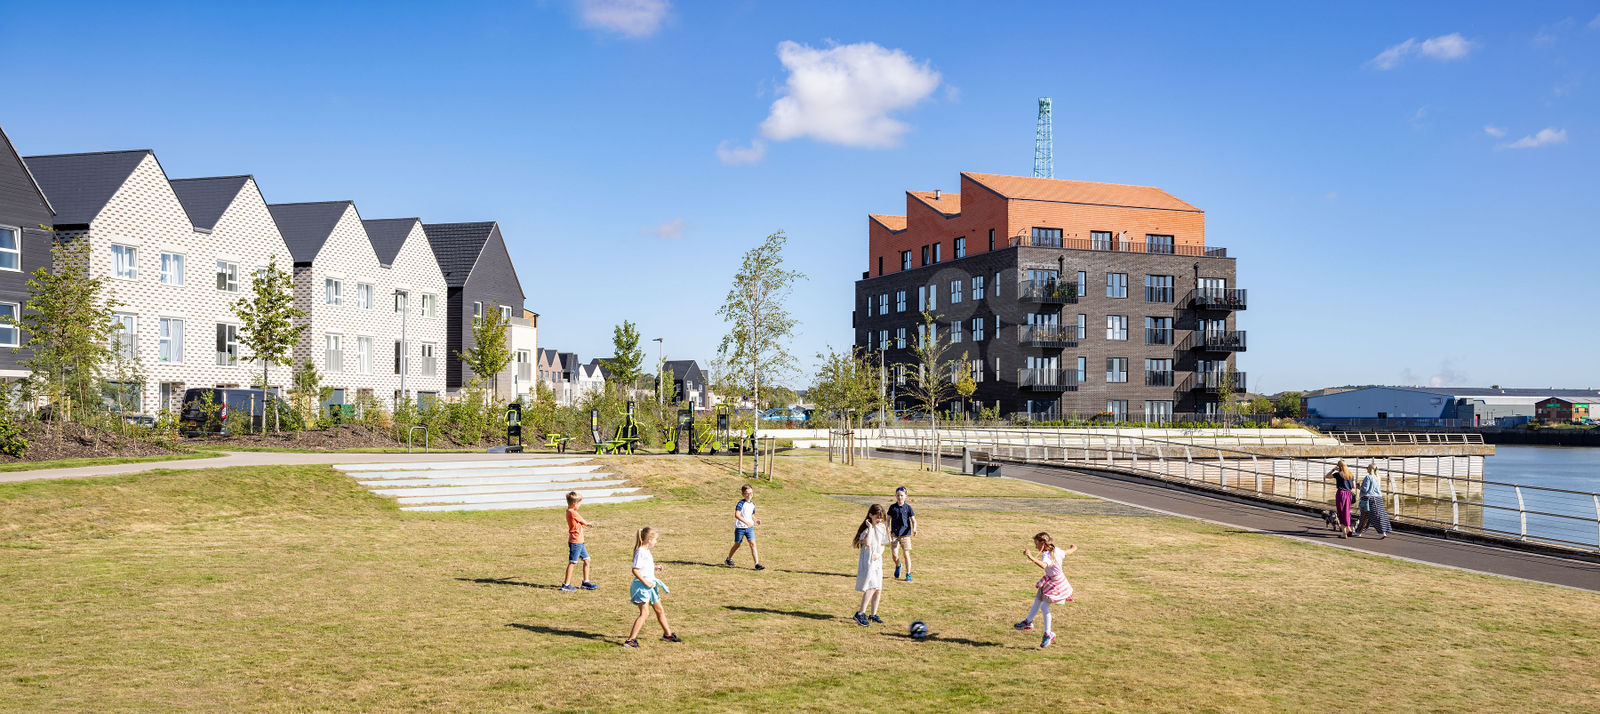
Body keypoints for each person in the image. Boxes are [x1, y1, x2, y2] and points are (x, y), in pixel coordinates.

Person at [1015, 531, 1075, 649]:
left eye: (1036, 543)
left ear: (1042, 543)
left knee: (1044, 607)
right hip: (1054, 580)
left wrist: (1030, 556)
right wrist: (1073, 548)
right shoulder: (1056, 550)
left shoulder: (1047, 555)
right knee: (1038, 597)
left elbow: (1043, 565)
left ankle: (1048, 634)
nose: (1035, 546)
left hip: (1055, 583)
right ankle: (1028, 622)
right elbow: (1066, 553)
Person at [624, 526, 680, 647]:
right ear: (649, 539)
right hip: (642, 588)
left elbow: (645, 566)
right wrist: (645, 582)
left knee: (660, 610)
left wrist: (655, 567)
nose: (656, 542)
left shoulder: (646, 551)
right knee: (644, 613)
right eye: (655, 539)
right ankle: (630, 640)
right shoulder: (640, 551)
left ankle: (667, 634)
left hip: (650, 586)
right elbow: (635, 570)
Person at [851, 503, 889, 626]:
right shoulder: (867, 530)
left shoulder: (882, 527)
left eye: (881, 517)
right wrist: (870, 527)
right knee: (871, 586)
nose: (879, 520)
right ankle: (860, 613)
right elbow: (867, 542)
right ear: (870, 515)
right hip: (868, 562)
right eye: (877, 517)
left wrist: (879, 554)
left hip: (877, 560)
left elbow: (883, 544)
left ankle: (873, 614)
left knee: (878, 588)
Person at [561, 492, 598, 592]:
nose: (580, 505)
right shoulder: (572, 512)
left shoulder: (569, 511)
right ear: (574, 504)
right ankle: (566, 585)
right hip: (575, 541)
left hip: (580, 541)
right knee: (572, 562)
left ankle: (585, 582)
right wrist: (589, 524)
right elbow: (583, 522)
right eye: (579, 503)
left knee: (587, 560)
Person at [723, 484, 764, 570]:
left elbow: (751, 515)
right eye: (747, 493)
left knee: (753, 544)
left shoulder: (752, 504)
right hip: (740, 528)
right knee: (737, 544)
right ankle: (728, 559)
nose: (749, 495)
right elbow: (737, 515)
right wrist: (746, 522)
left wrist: (756, 520)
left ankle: (757, 564)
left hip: (750, 529)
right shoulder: (741, 503)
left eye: (751, 493)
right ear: (743, 494)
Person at [1355, 463, 1392, 539]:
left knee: (1369, 516)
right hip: (1378, 498)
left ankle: (1381, 532)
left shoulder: (1368, 477)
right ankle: (1359, 531)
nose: (1366, 469)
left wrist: (1359, 486)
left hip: (1369, 499)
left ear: (1370, 469)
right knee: (1375, 515)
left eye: (1367, 467)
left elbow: (1365, 489)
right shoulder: (1378, 477)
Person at [888, 487, 918, 582]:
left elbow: (913, 520)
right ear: (895, 496)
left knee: (906, 554)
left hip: (905, 535)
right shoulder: (892, 507)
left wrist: (914, 529)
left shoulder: (908, 508)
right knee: (894, 555)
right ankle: (898, 565)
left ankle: (908, 574)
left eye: (901, 495)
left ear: (905, 496)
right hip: (895, 535)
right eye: (898, 495)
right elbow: (888, 519)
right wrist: (887, 528)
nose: (900, 497)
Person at [1324, 460, 1357, 539]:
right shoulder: (1350, 474)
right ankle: (1348, 528)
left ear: (1339, 466)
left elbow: (1327, 476)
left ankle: (1344, 533)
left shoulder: (1338, 474)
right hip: (1348, 494)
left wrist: (1333, 469)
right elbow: (1354, 486)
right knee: (1346, 512)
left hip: (1341, 494)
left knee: (1340, 513)